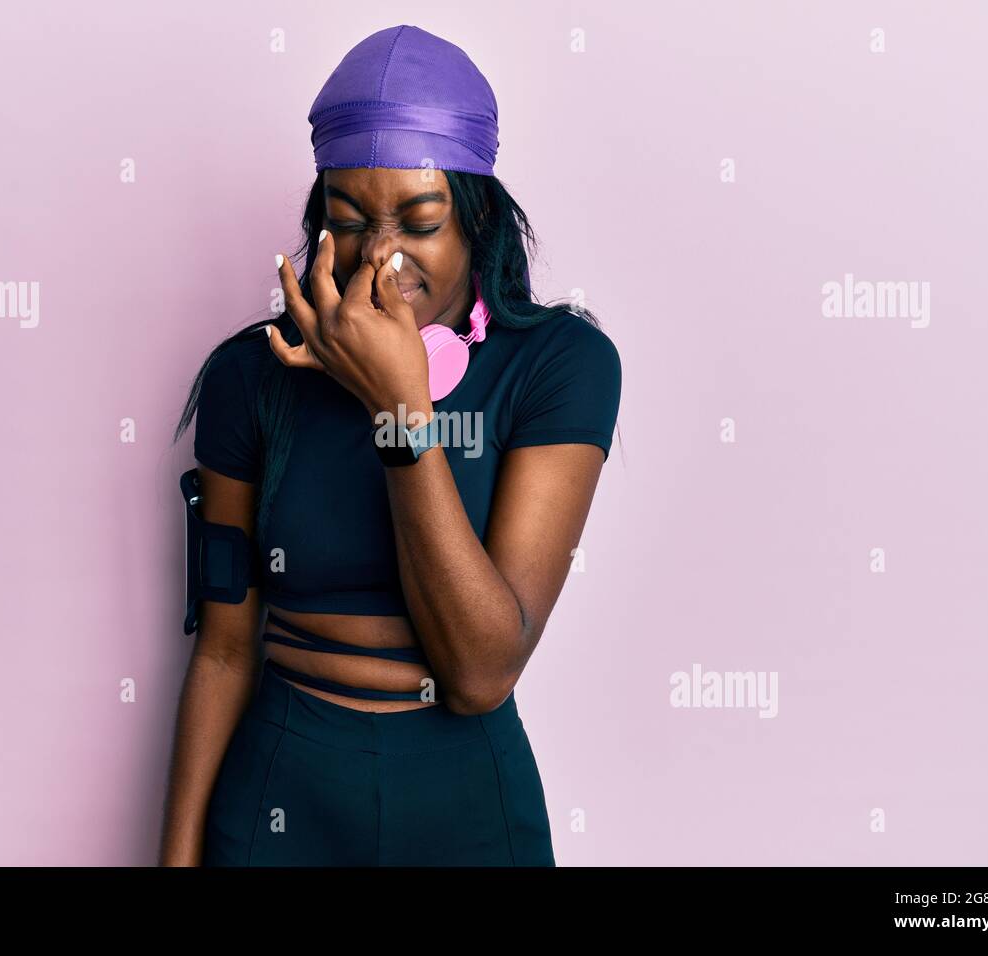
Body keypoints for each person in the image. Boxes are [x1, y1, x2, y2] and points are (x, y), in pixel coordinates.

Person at [161, 24, 621, 867]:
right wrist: (178, 859)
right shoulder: (249, 376)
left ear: (476, 224)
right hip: (280, 797)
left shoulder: (561, 367)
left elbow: (482, 671)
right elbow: (224, 651)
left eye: (421, 220)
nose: (382, 256)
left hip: (466, 801)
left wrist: (401, 411)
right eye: (348, 219)